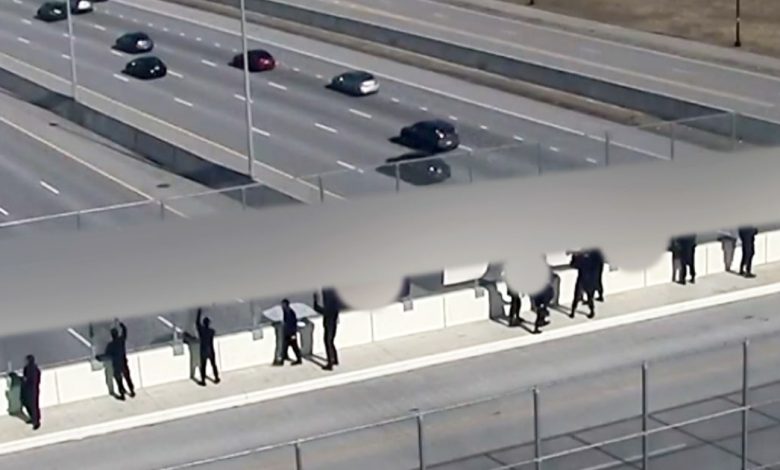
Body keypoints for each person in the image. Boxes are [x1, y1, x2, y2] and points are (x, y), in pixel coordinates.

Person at [105, 319, 135, 400]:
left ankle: (122, 394)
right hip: (123, 363)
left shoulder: (110, 345)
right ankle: (132, 391)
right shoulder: (121, 341)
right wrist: (121, 324)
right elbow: (125, 332)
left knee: (119, 380)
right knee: (127, 377)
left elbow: (107, 354)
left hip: (116, 365)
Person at [313, 288, 342, 370]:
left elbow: (320, 310)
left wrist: (315, 301)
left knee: (328, 342)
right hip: (333, 325)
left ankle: (330, 363)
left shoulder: (329, 307)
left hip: (328, 325)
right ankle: (335, 359)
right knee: (331, 342)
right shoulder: (335, 307)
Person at [196, 308, 220, 385]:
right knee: (213, 364)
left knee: (203, 366)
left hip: (203, 351)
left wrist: (199, 312)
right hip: (211, 350)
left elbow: (197, 323)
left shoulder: (201, 331)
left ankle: (203, 381)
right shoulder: (211, 331)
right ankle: (216, 378)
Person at [275, 299, 302, 366]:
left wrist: (293, 333)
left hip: (291, 333)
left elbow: (293, 323)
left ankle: (299, 359)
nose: (282, 306)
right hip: (287, 333)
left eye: (283, 304)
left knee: (294, 347)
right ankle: (282, 360)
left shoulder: (290, 313)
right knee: (285, 348)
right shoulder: (286, 312)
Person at [570, 251, 597, 318]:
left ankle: (573, 312)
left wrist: (574, 257)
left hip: (582, 280)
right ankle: (592, 311)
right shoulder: (592, 258)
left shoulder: (581, 258)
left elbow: (573, 265)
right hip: (589, 280)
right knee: (589, 297)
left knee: (577, 296)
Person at [21, 354, 41, 430]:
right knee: (34, 405)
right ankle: (34, 419)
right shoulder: (36, 369)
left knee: (31, 406)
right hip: (35, 389)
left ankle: (36, 421)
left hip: (29, 390)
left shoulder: (27, 369)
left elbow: (25, 378)